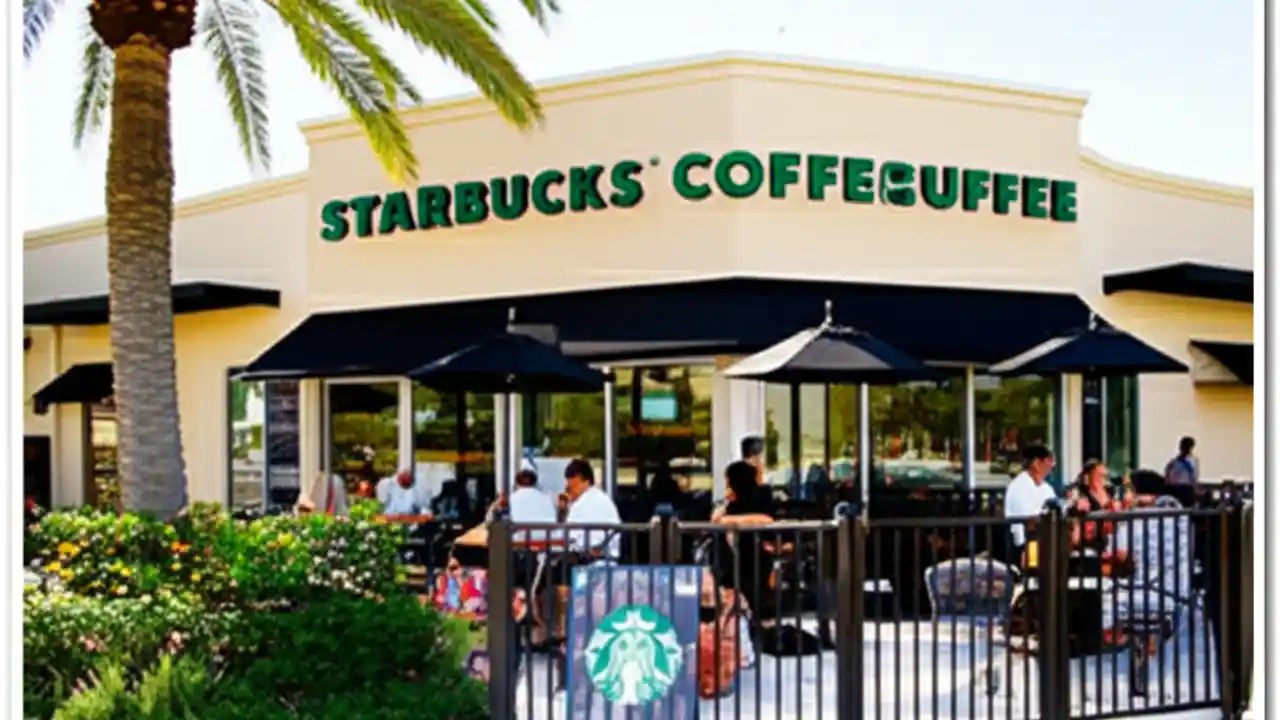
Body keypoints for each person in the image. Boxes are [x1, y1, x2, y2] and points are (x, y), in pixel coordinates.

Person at [1003, 444, 1058, 554]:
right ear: (1036, 463)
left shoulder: (1047, 488)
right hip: (1026, 547)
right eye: (1049, 460)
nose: (1053, 465)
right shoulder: (1018, 486)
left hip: (1047, 543)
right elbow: (1026, 524)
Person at [563, 459, 622, 559]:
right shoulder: (589, 499)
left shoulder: (595, 500)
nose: (571, 489)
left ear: (586, 481)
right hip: (588, 555)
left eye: (573, 486)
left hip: (594, 559)